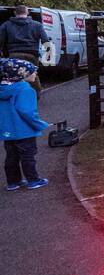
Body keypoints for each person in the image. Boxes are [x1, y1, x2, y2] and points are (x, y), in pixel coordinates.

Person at [0, 58, 49, 190]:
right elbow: (27, 111)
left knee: (11, 157)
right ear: (21, 74)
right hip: (24, 131)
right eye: (32, 72)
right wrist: (40, 124)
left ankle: (13, 182)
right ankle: (33, 180)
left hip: (8, 131)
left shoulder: (3, 90)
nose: (35, 74)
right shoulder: (25, 90)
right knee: (28, 156)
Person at [0, 5, 49, 91]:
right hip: (32, 55)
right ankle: (36, 95)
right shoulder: (37, 25)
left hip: (14, 55)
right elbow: (45, 41)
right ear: (27, 12)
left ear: (15, 13)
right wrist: (48, 54)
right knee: (33, 76)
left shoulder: (6, 25)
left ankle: (15, 95)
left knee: (14, 77)